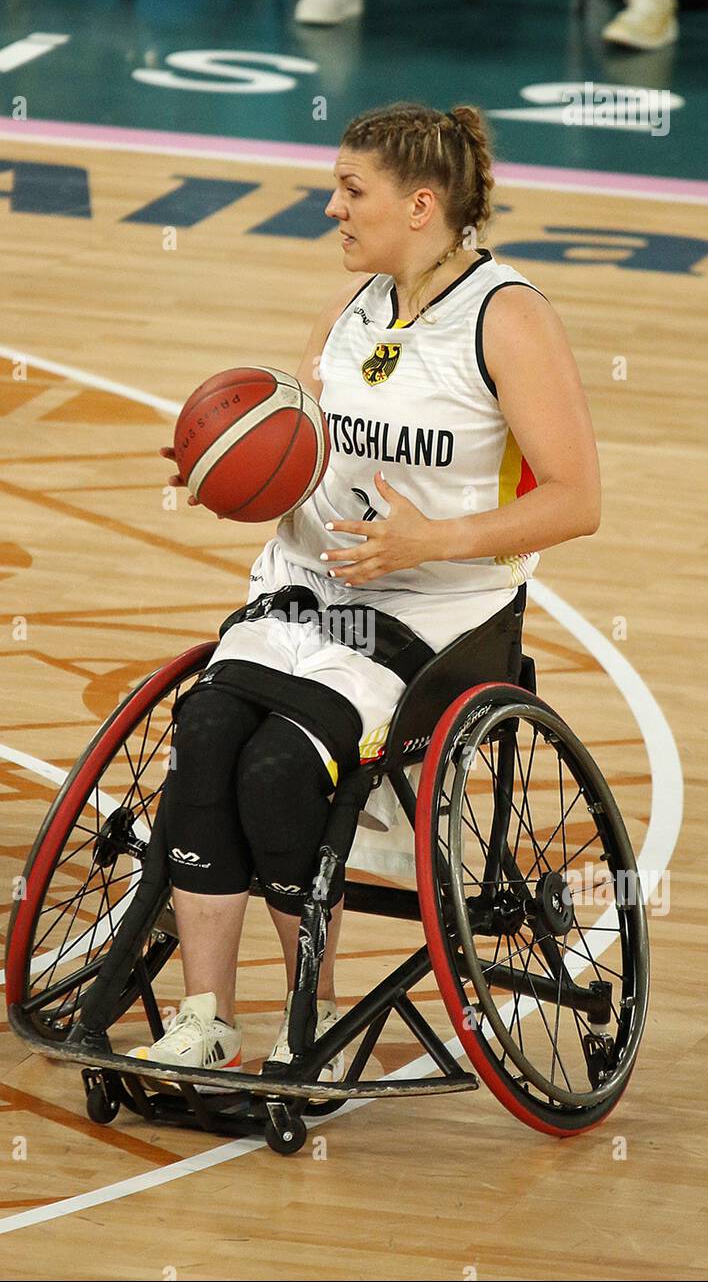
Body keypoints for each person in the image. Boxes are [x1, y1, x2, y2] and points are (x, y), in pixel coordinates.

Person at [139, 101, 601, 1081]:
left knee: (275, 771)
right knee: (204, 737)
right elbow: (295, 443)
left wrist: (436, 537)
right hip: (303, 585)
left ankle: (308, 1012)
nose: (330, 208)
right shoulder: (353, 306)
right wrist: (212, 466)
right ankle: (203, 1017)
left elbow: (577, 499)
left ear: (421, 204)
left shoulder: (505, 317)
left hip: (427, 613)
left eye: (351, 191)